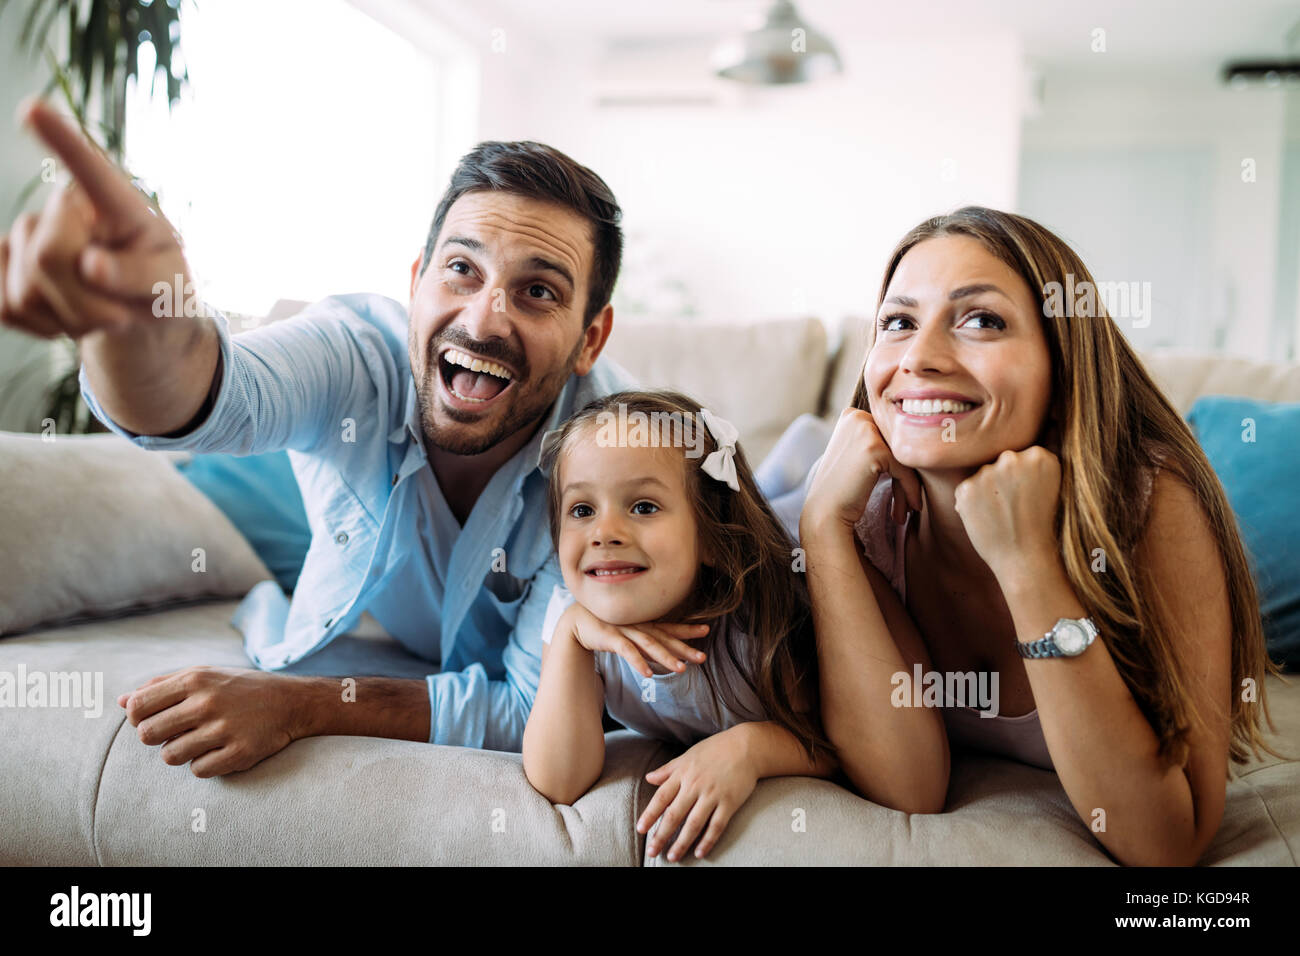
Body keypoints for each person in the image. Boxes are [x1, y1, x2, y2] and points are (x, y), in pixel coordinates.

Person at [0, 97, 705, 776]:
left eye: (538, 291)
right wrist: (135, 324)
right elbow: (210, 396)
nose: (485, 320)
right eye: (461, 269)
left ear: (591, 337)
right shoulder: (355, 353)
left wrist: (302, 706)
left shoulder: (610, 456)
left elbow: (530, 707)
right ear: (416, 282)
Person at [799, 205, 1284, 866]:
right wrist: (820, 529)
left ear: (1062, 367)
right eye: (898, 322)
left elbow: (1168, 843)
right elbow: (906, 787)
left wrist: (1026, 563)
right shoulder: (864, 516)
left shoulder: (1153, 505)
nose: (919, 357)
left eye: (981, 320)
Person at [522, 390, 836, 861]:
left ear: (711, 537)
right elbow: (559, 779)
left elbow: (835, 744)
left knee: (787, 508)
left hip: (783, 542)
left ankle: (803, 448)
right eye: (582, 510)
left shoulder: (758, 626)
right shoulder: (573, 619)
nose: (604, 532)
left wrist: (750, 748)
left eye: (643, 507)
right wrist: (570, 636)